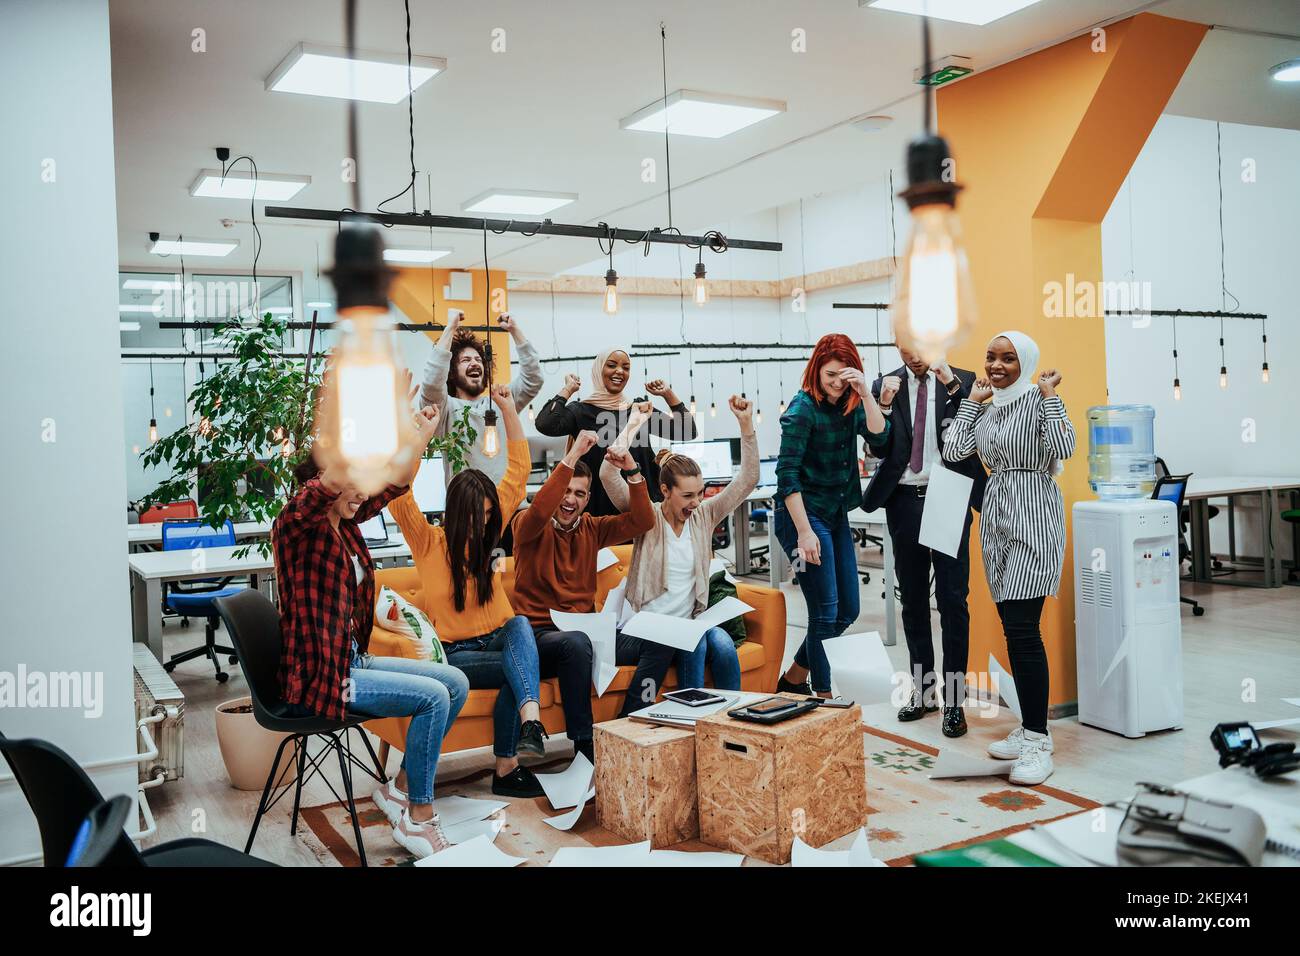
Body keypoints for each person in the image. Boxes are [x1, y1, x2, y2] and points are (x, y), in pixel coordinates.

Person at [273, 403, 468, 860]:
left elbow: (394, 483)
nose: (363, 492)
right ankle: (419, 818)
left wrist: (420, 435)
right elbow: (323, 491)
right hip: (321, 679)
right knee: (432, 698)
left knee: (455, 682)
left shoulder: (347, 523)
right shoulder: (294, 527)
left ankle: (401, 791)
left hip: (352, 661)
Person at [386, 384, 548, 798]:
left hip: (499, 638)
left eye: (490, 515)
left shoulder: (490, 534)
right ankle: (506, 768)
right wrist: (420, 436)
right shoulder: (429, 542)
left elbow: (518, 472)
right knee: (518, 671)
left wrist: (508, 410)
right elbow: (398, 493)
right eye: (477, 516)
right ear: (457, 513)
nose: (485, 524)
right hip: (457, 654)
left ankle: (531, 723)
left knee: (520, 626)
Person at [942, 330, 1075, 786]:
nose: (997, 366)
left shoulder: (1039, 400)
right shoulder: (989, 406)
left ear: (1027, 363)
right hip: (996, 519)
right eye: (991, 357)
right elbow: (953, 451)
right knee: (1013, 629)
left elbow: (1064, 447)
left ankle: (1038, 739)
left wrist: (1051, 396)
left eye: (1008, 359)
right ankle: (1031, 726)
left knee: (1022, 629)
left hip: (1034, 517)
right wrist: (971, 403)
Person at [505, 429, 656, 763]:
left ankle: (625, 725)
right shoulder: (527, 526)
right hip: (540, 637)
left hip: (588, 633)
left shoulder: (592, 528)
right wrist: (572, 457)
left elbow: (644, 520)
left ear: (587, 500)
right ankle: (585, 745)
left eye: (579, 493)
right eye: (565, 490)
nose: (570, 499)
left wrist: (632, 470)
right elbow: (540, 511)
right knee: (575, 643)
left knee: (655, 640)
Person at [601, 395, 759, 709]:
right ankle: (690, 718)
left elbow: (748, 480)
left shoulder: (704, 516)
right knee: (695, 644)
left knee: (723, 645)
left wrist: (746, 425)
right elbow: (608, 474)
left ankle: (731, 719)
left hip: (690, 621)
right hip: (648, 626)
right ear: (665, 491)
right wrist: (632, 425)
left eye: (700, 493)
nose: (696, 502)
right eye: (687, 496)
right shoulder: (646, 515)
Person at [861, 348, 987, 738]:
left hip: (948, 494)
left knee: (952, 601)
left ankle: (954, 701)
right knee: (912, 601)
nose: (913, 355)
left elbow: (977, 434)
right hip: (904, 499)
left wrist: (951, 384)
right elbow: (877, 448)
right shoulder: (884, 384)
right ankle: (924, 690)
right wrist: (883, 404)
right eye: (905, 346)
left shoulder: (962, 381)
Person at [774, 333, 891, 698]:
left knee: (848, 611)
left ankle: (793, 680)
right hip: (800, 518)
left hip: (835, 513)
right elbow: (787, 476)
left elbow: (881, 439)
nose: (838, 383)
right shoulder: (802, 410)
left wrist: (867, 393)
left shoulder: (851, 403)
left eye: (845, 375)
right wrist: (804, 533)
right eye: (830, 375)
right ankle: (823, 698)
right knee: (824, 612)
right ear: (816, 371)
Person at [534, 347, 697, 516]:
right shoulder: (581, 412)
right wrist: (568, 389)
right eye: (612, 365)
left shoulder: (639, 410)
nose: (620, 371)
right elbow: (545, 423)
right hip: (598, 515)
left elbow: (687, 431)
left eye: (626, 368)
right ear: (598, 370)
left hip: (642, 512)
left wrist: (668, 394)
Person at [419, 308, 543, 483]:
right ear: (451, 372)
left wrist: (515, 331)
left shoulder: (502, 403)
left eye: (478, 360)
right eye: (466, 360)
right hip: (464, 499)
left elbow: (533, 379)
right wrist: (450, 328)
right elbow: (432, 384)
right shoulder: (446, 409)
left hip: (505, 497)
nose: (475, 363)